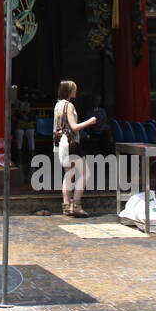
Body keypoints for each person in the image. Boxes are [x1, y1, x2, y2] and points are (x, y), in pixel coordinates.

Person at [54, 80, 97, 218]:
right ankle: (76, 205)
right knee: (85, 173)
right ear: (68, 91)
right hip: (71, 144)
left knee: (68, 174)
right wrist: (90, 121)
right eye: (74, 89)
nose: (75, 92)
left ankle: (66, 206)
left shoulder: (58, 105)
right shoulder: (69, 105)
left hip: (61, 143)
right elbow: (74, 127)